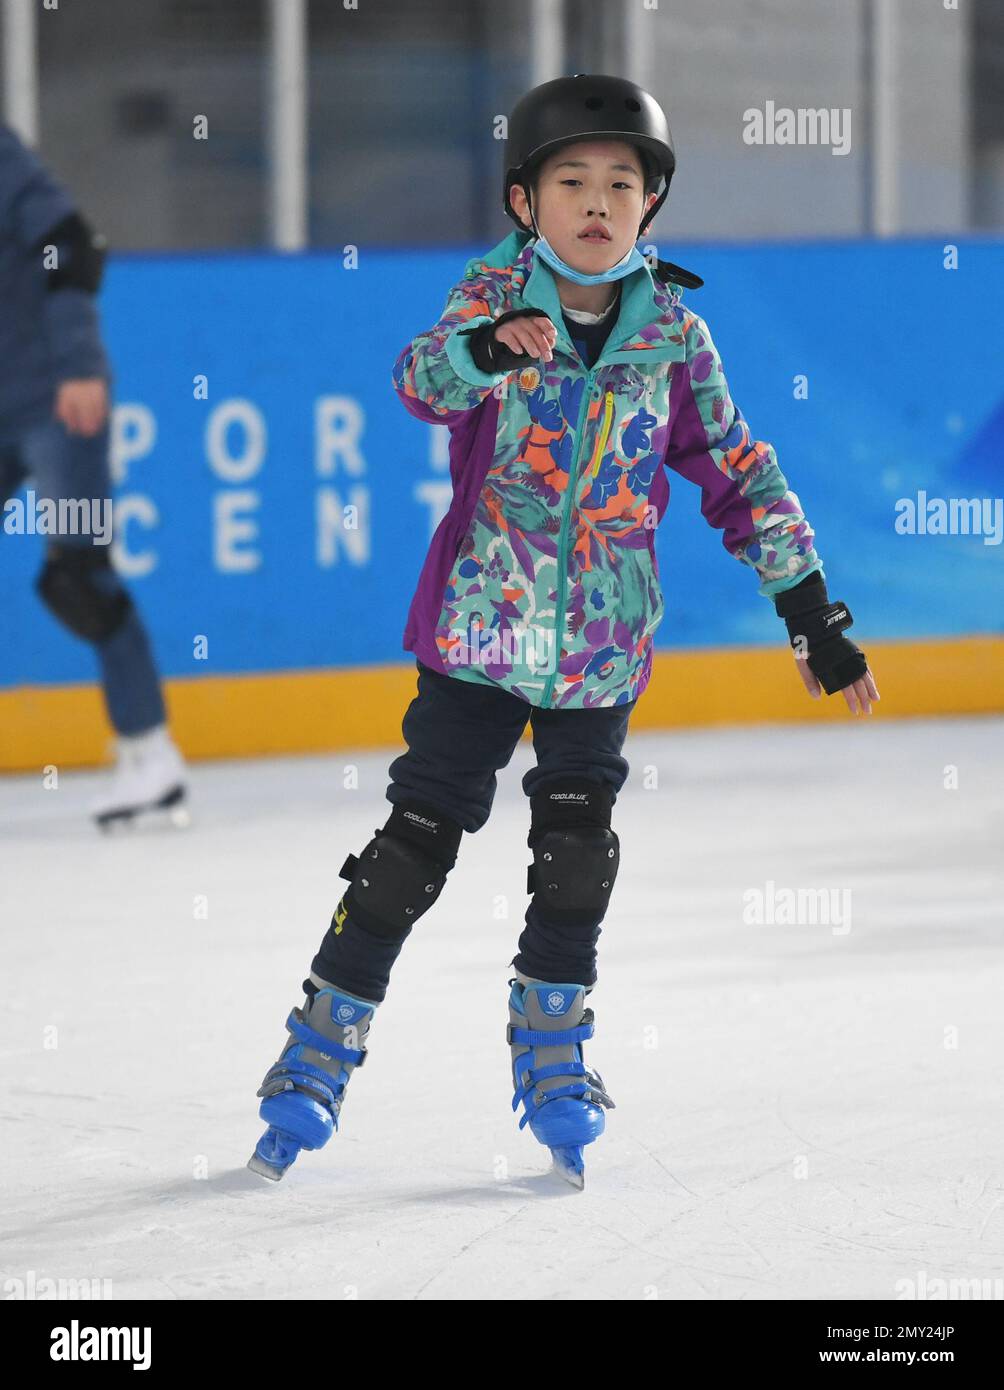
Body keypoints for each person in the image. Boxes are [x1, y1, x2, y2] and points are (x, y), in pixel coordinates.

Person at [248, 74, 880, 1186]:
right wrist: (490, 349)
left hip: (598, 651)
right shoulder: (488, 300)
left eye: (620, 184)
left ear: (649, 208)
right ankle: (316, 1052)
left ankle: (552, 1056)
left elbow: (738, 472)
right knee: (412, 849)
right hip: (478, 634)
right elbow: (418, 382)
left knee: (576, 855)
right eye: (570, 181)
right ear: (523, 202)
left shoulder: (674, 338)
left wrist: (810, 612)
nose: (595, 201)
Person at [0, 124, 187, 828]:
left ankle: (150, 752)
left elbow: (73, 244)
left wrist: (78, 365)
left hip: (55, 402)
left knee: (79, 575)